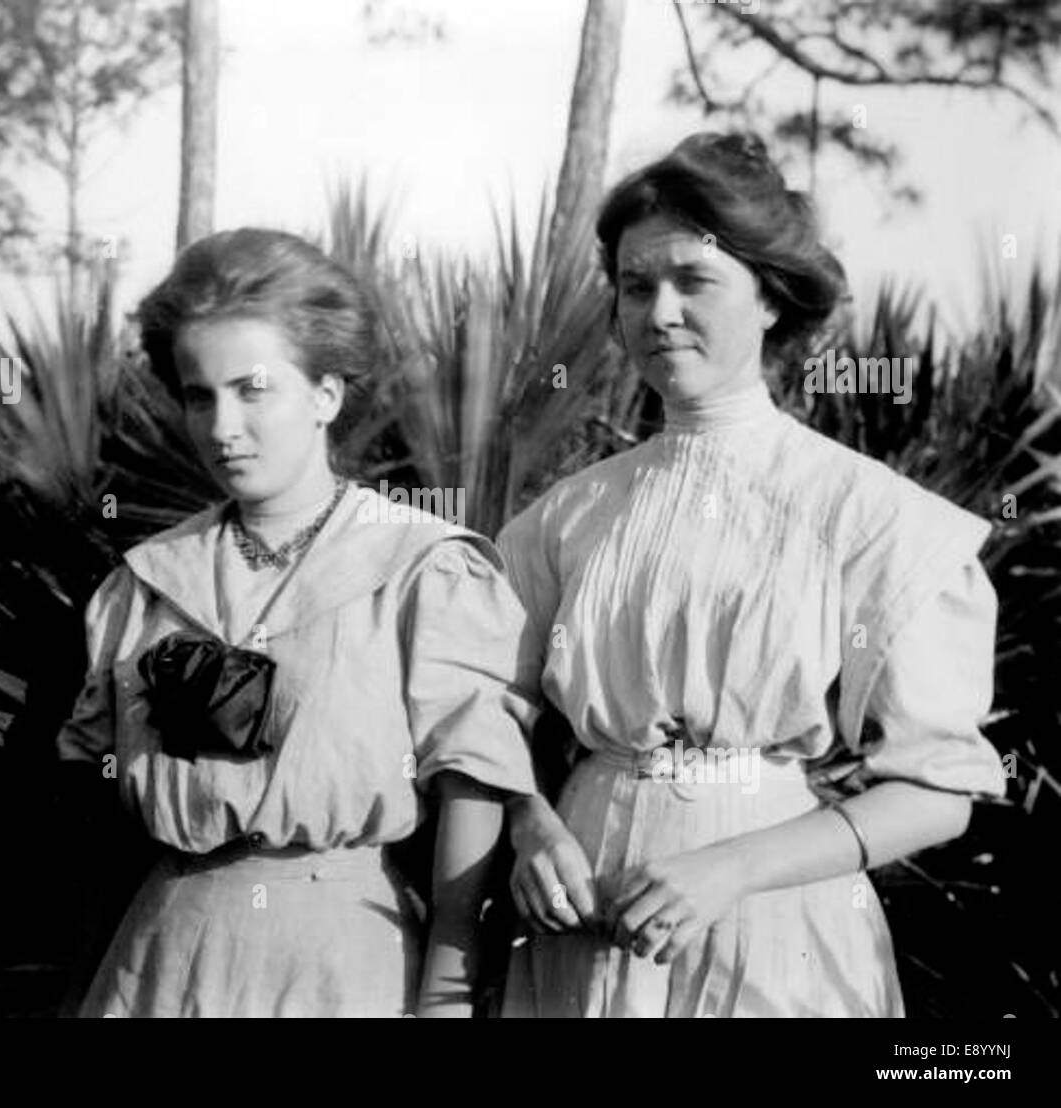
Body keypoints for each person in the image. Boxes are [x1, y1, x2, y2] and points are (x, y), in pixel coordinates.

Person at [499, 132, 1007, 1018]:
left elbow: (937, 790)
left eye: (693, 281)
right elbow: (482, 714)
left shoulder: (869, 514)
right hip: (584, 925)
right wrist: (527, 822)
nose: (658, 313)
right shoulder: (566, 517)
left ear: (772, 297)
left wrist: (730, 868)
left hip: (776, 920)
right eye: (634, 286)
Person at [57, 228, 539, 1017]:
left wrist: (446, 996)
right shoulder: (144, 581)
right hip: (161, 952)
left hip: (342, 955)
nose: (221, 427)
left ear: (326, 395)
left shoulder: (419, 566)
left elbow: (473, 785)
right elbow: (102, 838)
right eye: (198, 395)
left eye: (253, 390)